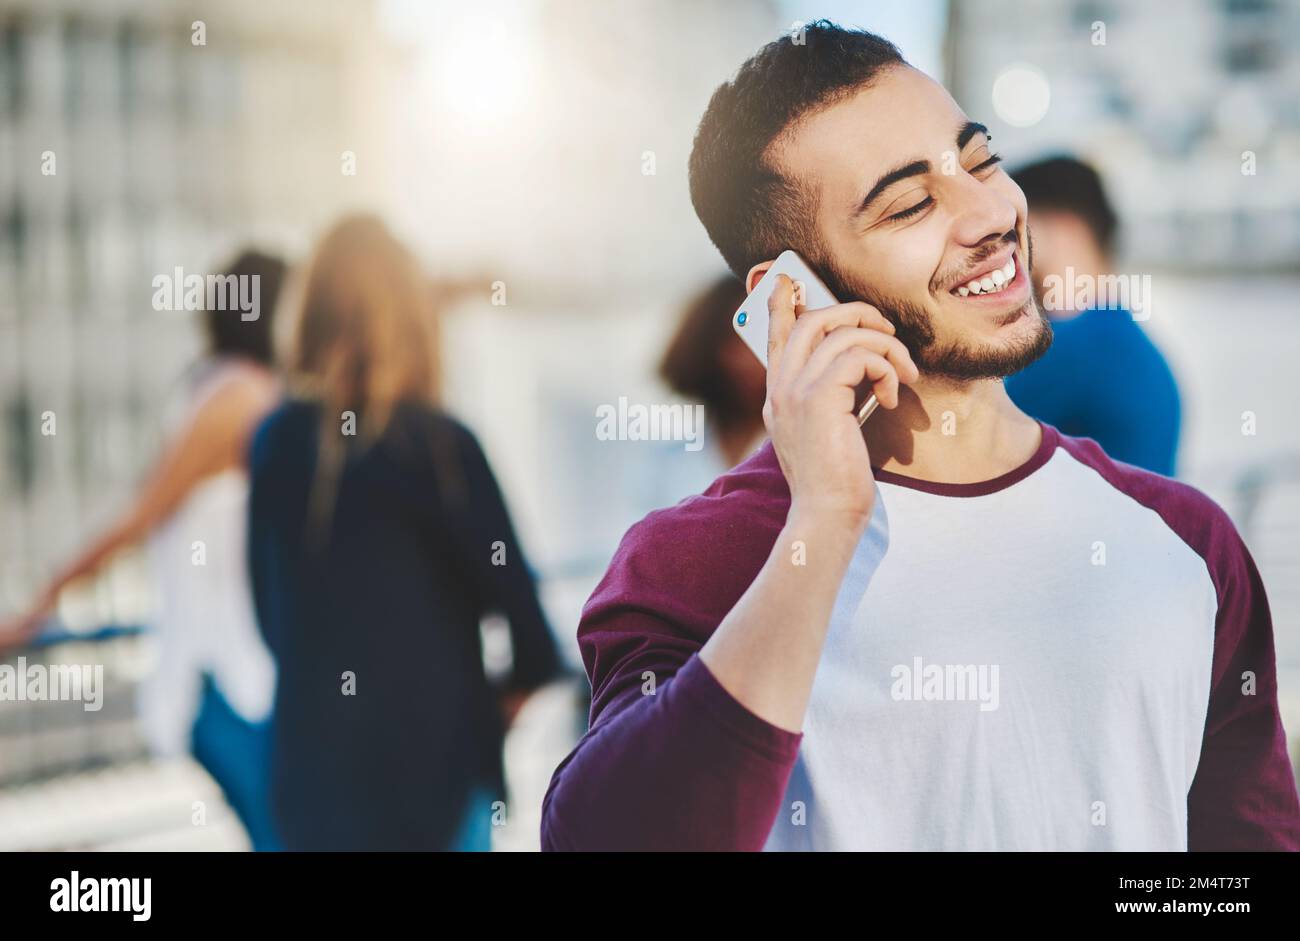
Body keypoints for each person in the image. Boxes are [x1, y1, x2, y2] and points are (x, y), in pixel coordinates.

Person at [541, 22, 1300, 851]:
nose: (988, 213)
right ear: (794, 297)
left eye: (978, 160)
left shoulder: (1190, 542)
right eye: (909, 203)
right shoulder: (695, 561)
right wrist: (824, 524)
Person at [247, 214, 562, 851]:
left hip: (310, 795)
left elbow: (270, 621)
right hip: (439, 795)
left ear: (308, 315)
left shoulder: (276, 444)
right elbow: (531, 641)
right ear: (415, 318)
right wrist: (474, 711)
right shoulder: (445, 452)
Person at [0, 251, 287, 851]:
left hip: (241, 680)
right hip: (232, 683)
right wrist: (43, 603)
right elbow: (139, 518)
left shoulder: (233, 393)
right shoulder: (242, 400)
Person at [1004, 156, 1181, 475]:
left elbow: (960, 437)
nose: (1003, 248)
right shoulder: (1123, 338)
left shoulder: (1077, 346)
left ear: (1062, 228)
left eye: (1014, 228)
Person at [659, 275, 768, 469]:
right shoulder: (666, 461)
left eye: (760, 339)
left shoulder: (809, 447)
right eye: (732, 341)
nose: (744, 360)